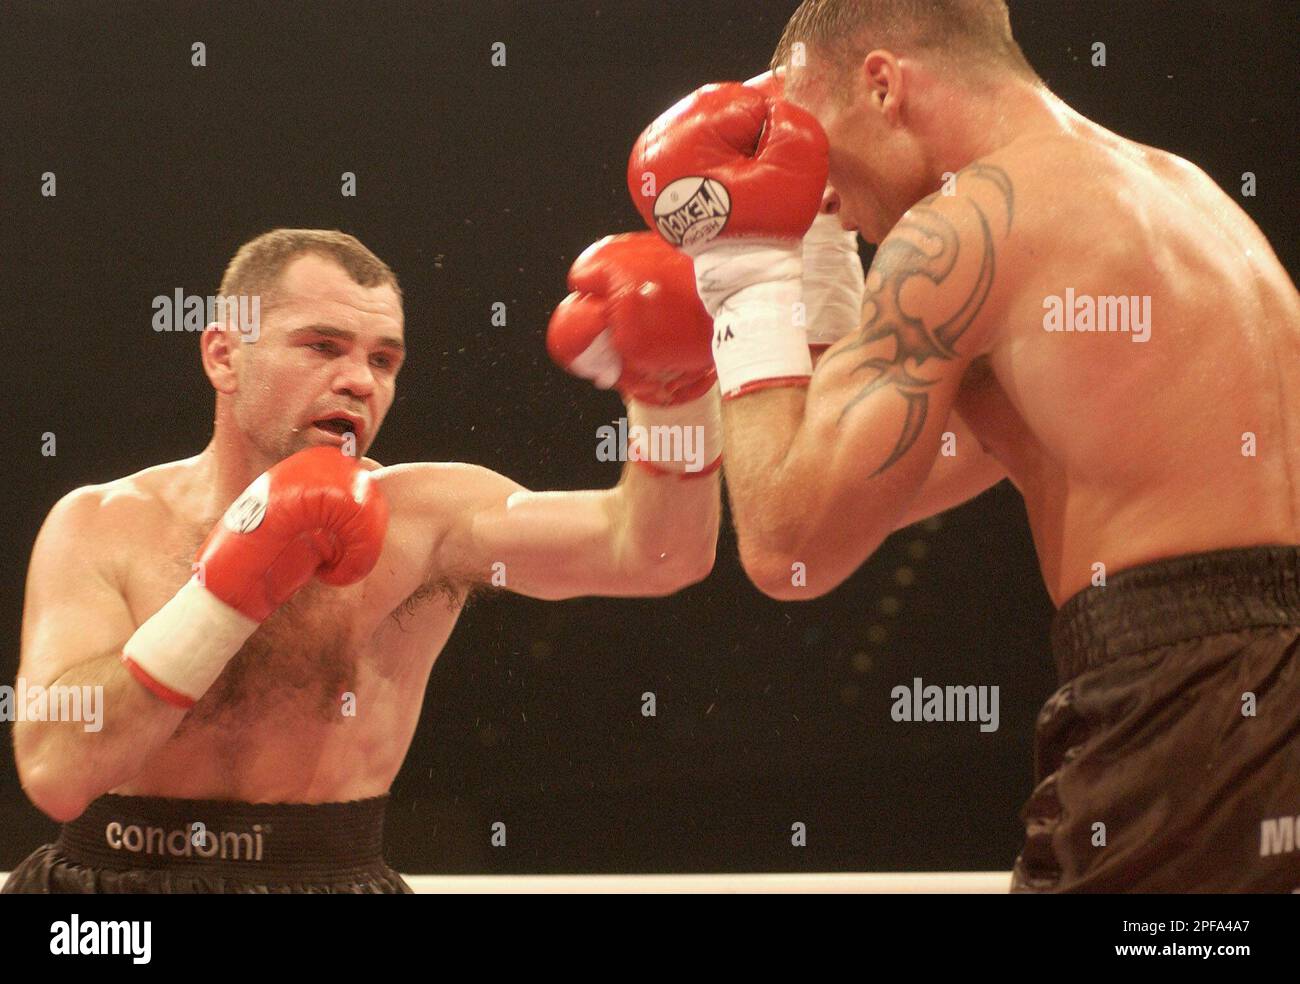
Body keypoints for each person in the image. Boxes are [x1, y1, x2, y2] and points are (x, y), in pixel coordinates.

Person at [626, 0, 1300, 891]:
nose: (815, 187)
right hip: (1252, 694)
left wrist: (748, 270)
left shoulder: (963, 223)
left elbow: (790, 545)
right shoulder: (1181, 194)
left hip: (1189, 712)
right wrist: (822, 256)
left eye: (813, 145)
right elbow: (872, 483)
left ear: (883, 84)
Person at [7, 228, 721, 893]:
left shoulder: (428, 519)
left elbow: (657, 554)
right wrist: (225, 592)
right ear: (224, 356)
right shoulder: (101, 524)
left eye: (383, 359)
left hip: (329, 876)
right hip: (103, 890)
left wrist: (675, 390)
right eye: (323, 346)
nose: (360, 380)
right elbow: (55, 773)